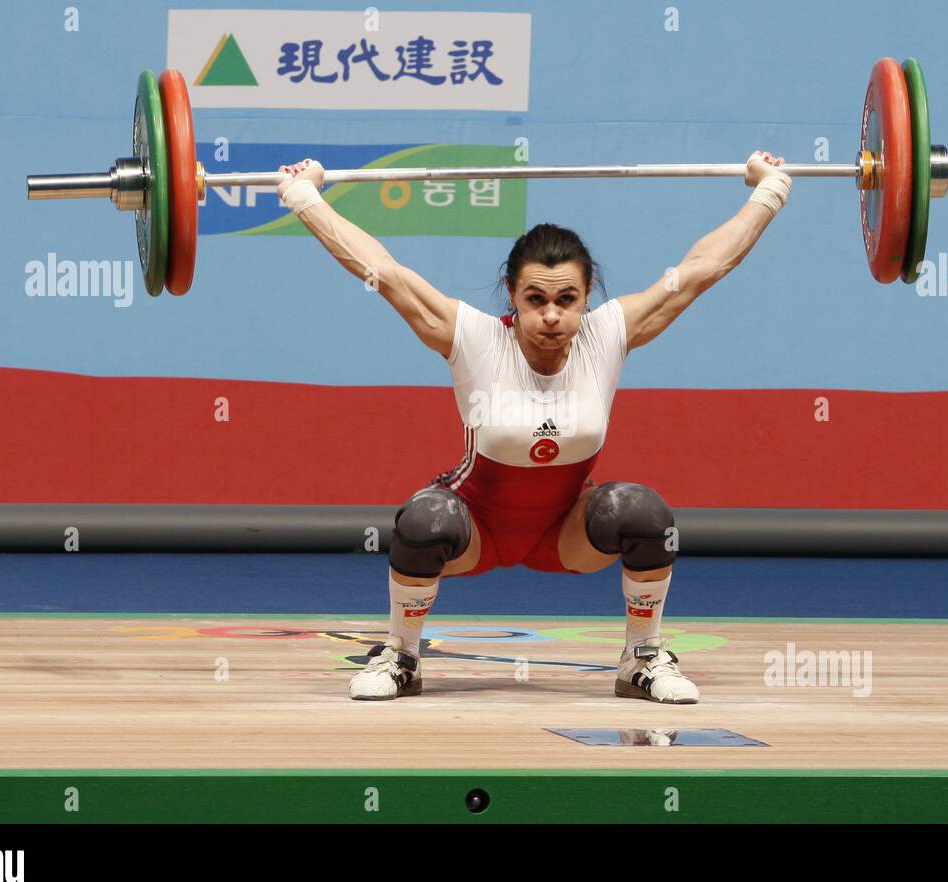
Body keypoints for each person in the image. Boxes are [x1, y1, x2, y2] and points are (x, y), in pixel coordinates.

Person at [276, 150, 791, 703]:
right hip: (473, 530)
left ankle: (641, 658)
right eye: (536, 299)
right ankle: (401, 656)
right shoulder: (473, 338)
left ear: (587, 297)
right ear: (512, 296)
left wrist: (769, 189)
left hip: (565, 533)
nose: (552, 315)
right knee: (425, 518)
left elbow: (700, 271)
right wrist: (305, 197)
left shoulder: (608, 334)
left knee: (641, 511)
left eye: (567, 300)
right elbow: (384, 271)